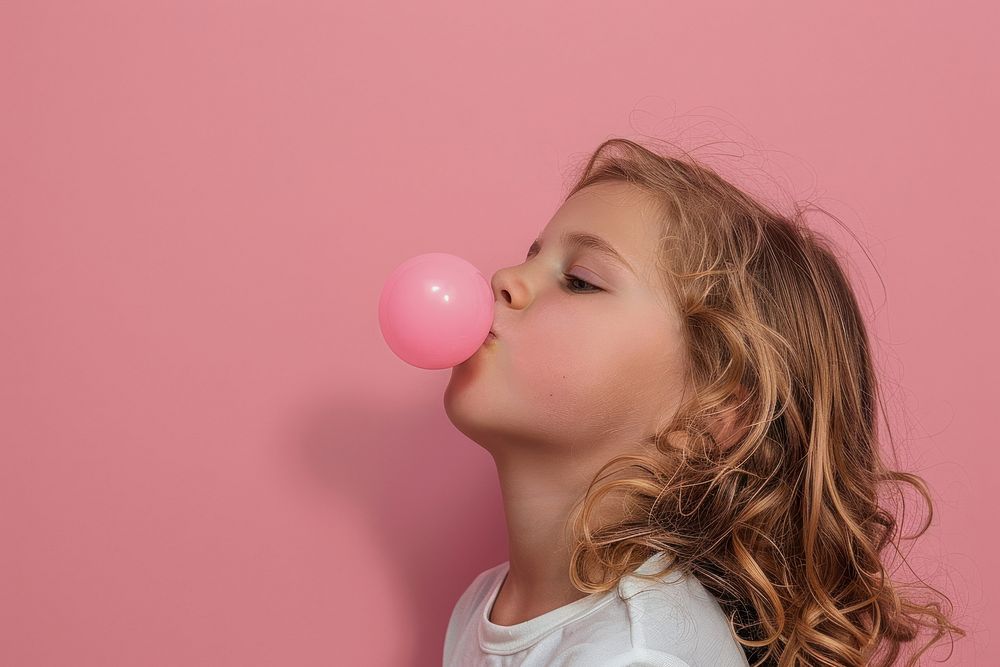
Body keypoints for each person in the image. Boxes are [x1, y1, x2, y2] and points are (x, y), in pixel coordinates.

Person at [441, 138, 965, 666]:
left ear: (711, 412)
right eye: (532, 255)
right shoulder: (486, 603)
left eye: (580, 281)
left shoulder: (639, 658)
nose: (504, 279)